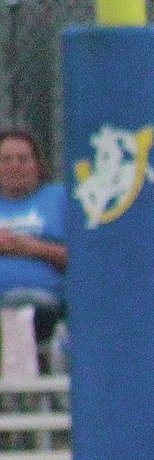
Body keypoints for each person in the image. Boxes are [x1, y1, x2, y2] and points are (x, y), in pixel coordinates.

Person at [0, 127, 68, 371]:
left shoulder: (59, 198)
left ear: (37, 164)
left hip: (48, 304)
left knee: (24, 312)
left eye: (23, 159)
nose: (14, 166)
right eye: (5, 159)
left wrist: (30, 247)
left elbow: (82, 259)